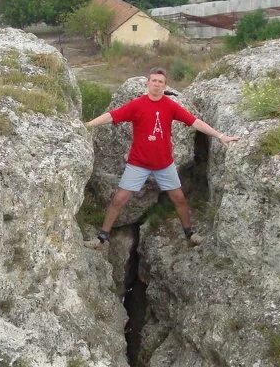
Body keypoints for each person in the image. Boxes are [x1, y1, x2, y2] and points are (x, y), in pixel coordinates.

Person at [85, 67, 239, 249]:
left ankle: (190, 234)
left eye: (161, 82)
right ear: (147, 83)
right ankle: (102, 238)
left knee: (179, 199)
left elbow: (194, 121)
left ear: (165, 86)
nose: (157, 84)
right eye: (154, 81)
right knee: (119, 199)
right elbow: (112, 116)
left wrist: (219, 135)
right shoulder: (137, 104)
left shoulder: (170, 105)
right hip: (138, 163)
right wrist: (87, 125)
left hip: (164, 164)